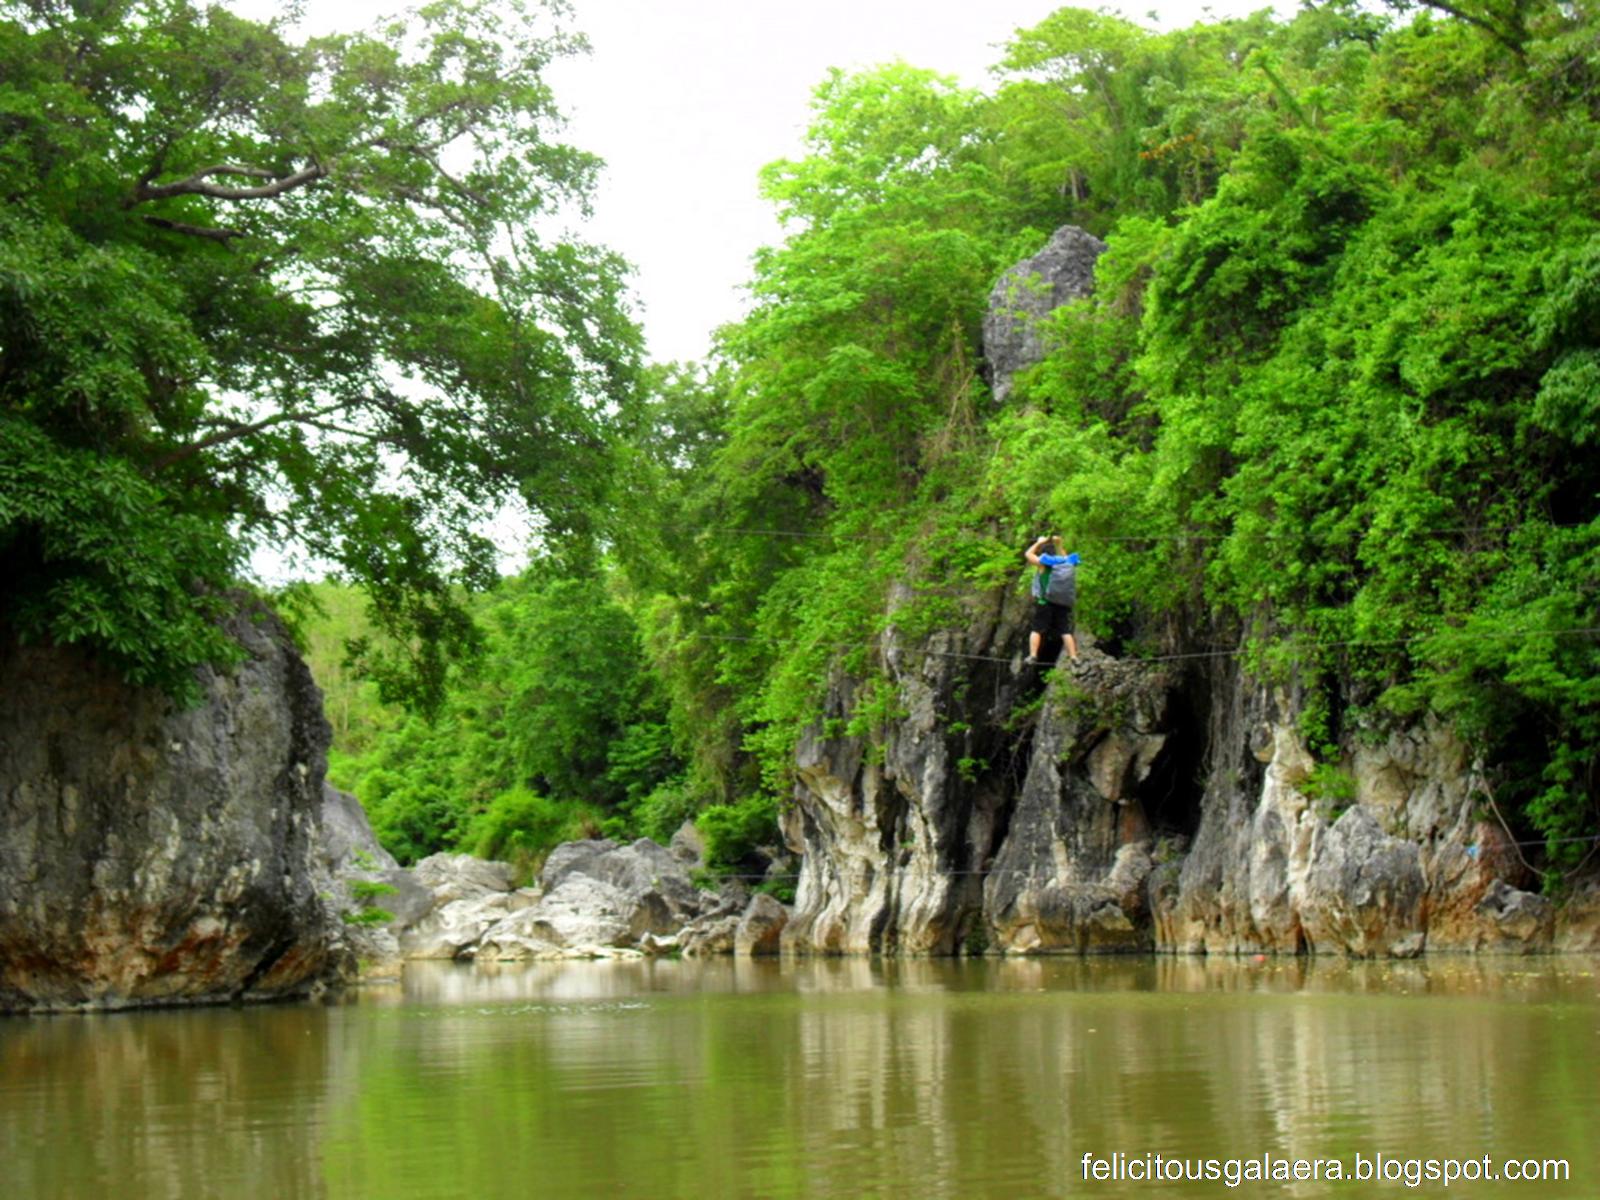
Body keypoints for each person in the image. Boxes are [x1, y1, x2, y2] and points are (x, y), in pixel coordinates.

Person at [1025, 534, 1080, 664]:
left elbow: (1028, 554)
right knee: (1065, 631)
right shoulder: (1066, 564)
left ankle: (1033, 655)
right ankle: (1073, 657)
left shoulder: (1043, 565)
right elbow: (1064, 557)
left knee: (1037, 629)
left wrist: (1038, 542)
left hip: (1046, 602)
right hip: (1063, 603)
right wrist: (1059, 544)